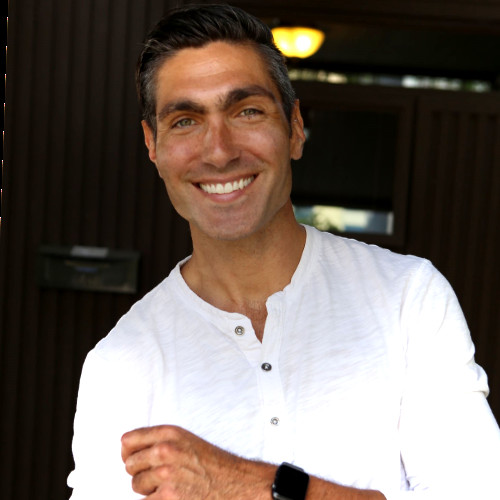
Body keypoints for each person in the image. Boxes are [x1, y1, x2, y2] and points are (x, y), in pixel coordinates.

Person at [67, 4, 500, 500]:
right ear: (153, 145)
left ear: (294, 127)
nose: (219, 151)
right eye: (185, 120)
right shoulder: (120, 364)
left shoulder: (407, 299)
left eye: (247, 111)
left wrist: (249, 484)